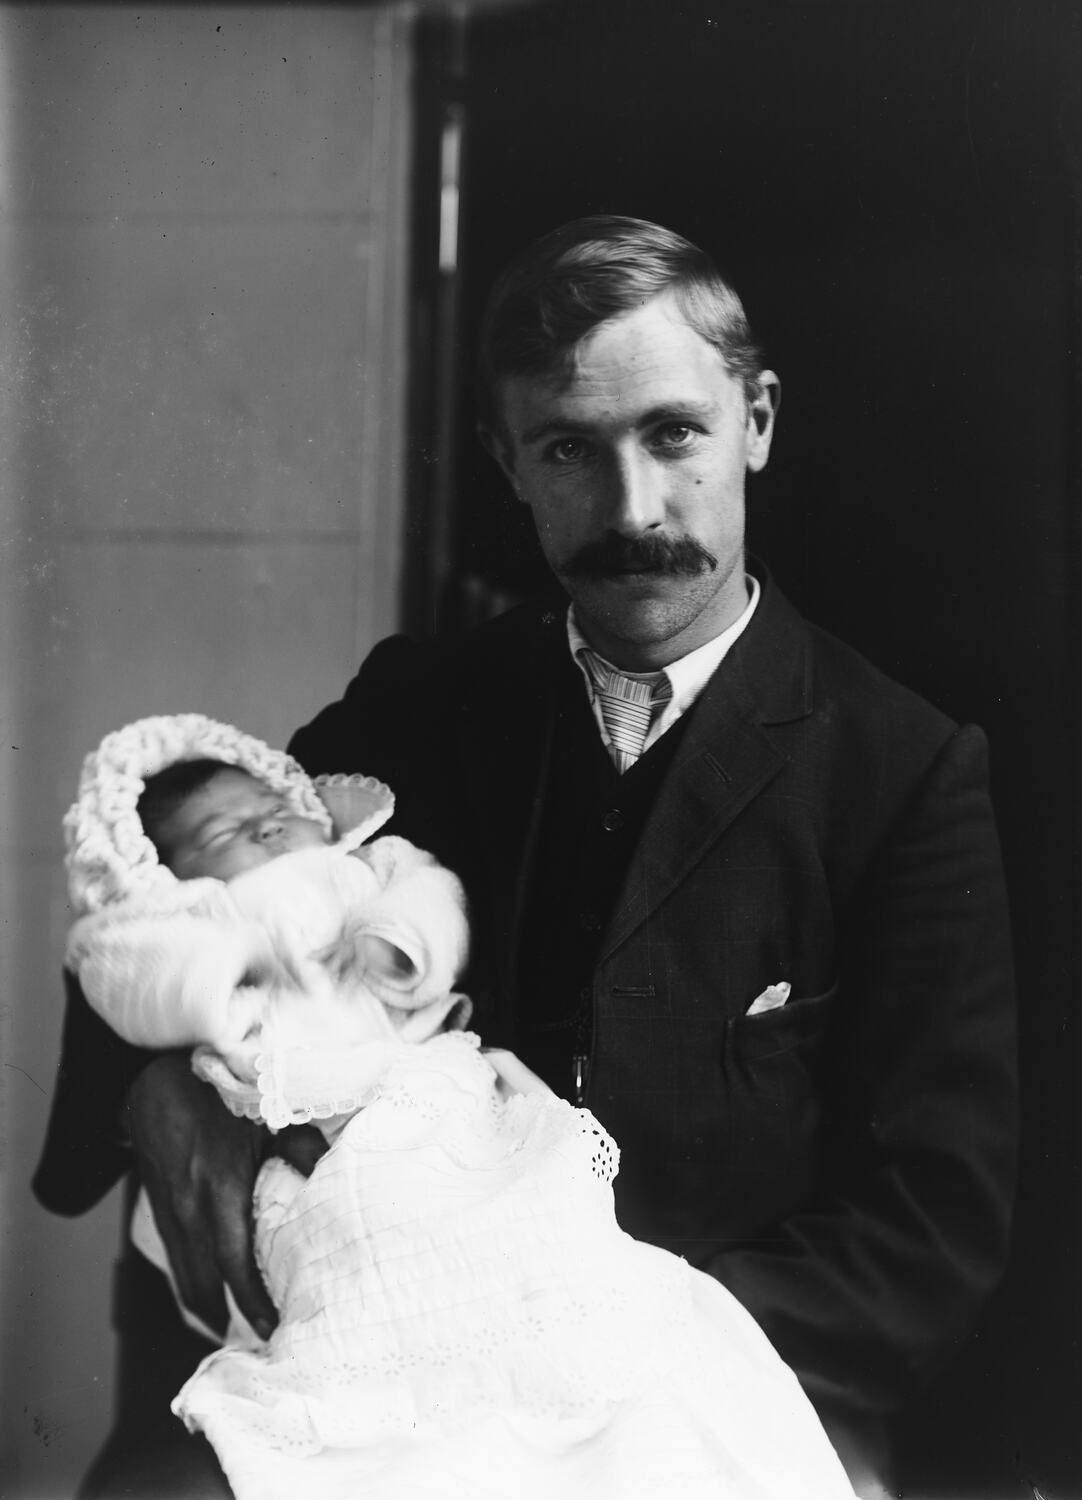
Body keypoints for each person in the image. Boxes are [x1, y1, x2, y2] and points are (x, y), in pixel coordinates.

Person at [34, 216, 1017, 1498]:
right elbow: (159, 892)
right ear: (506, 463)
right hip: (375, 1374)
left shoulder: (900, 770)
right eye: (568, 448)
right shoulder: (418, 706)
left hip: (709, 1376)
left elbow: (928, 1224)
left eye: (673, 433)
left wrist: (612, 1369)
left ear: (757, 422)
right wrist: (150, 1089)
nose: (632, 511)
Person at [60, 712, 858, 1500]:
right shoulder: (200, 915)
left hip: (431, 1089)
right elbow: (123, 968)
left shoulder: (364, 868)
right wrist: (217, 976)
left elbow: (433, 896)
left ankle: (537, 1343)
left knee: (524, 1202)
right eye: (223, 835)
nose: (266, 831)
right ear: (168, 875)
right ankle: (376, 1382)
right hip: (301, 1125)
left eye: (276, 813)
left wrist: (397, 940)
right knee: (351, 1234)